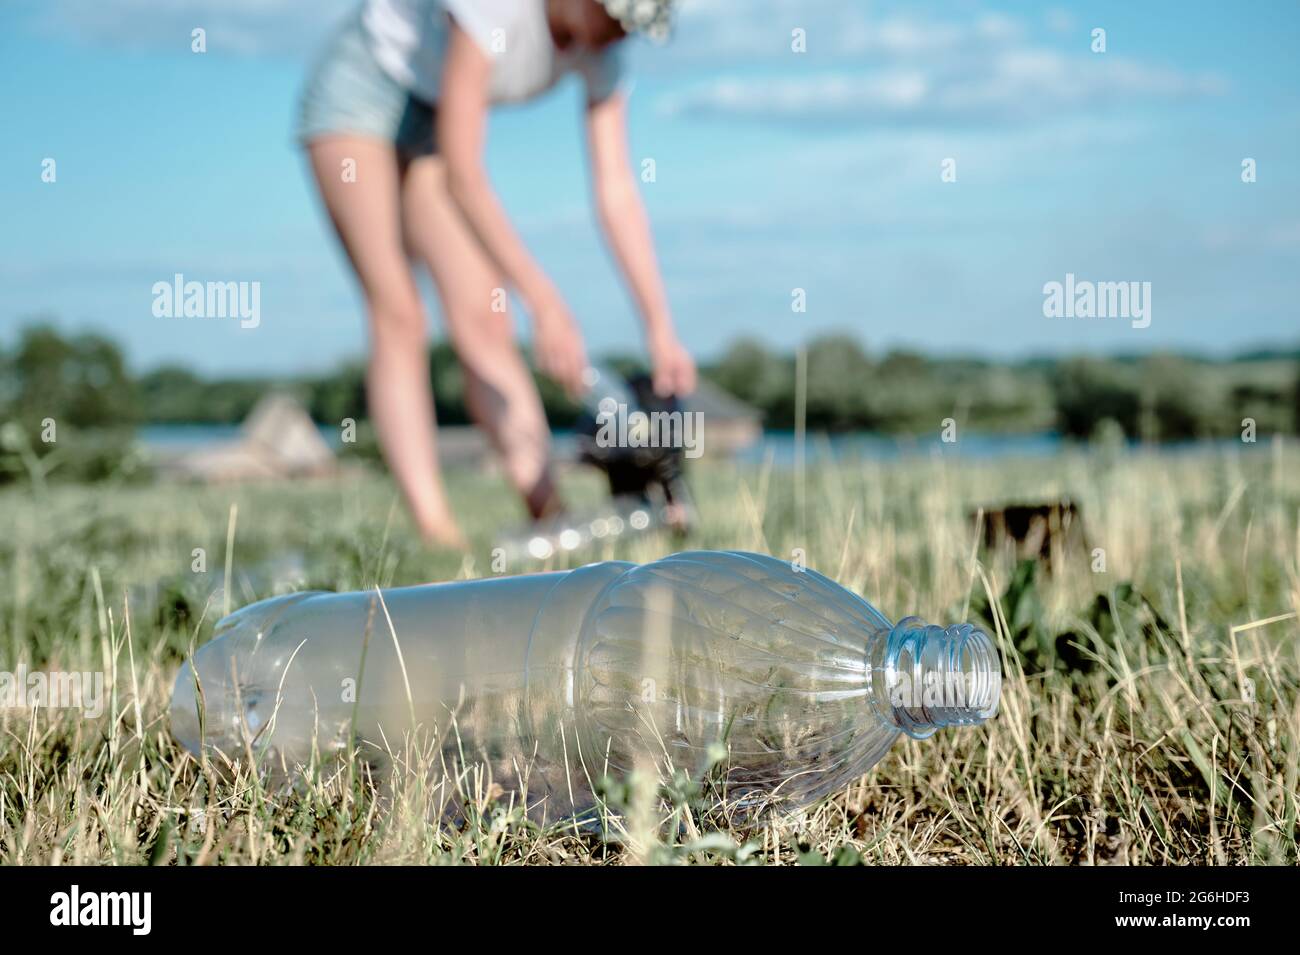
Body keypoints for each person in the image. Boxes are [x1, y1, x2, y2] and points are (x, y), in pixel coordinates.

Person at [296, 0, 696, 548]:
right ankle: (437, 532)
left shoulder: (601, 48)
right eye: (615, 20)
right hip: (363, 92)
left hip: (434, 119)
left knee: (486, 315)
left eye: (632, 28)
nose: (619, 37)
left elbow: (616, 190)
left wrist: (659, 326)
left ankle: (548, 518)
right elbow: (464, 171)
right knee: (399, 313)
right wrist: (543, 300)